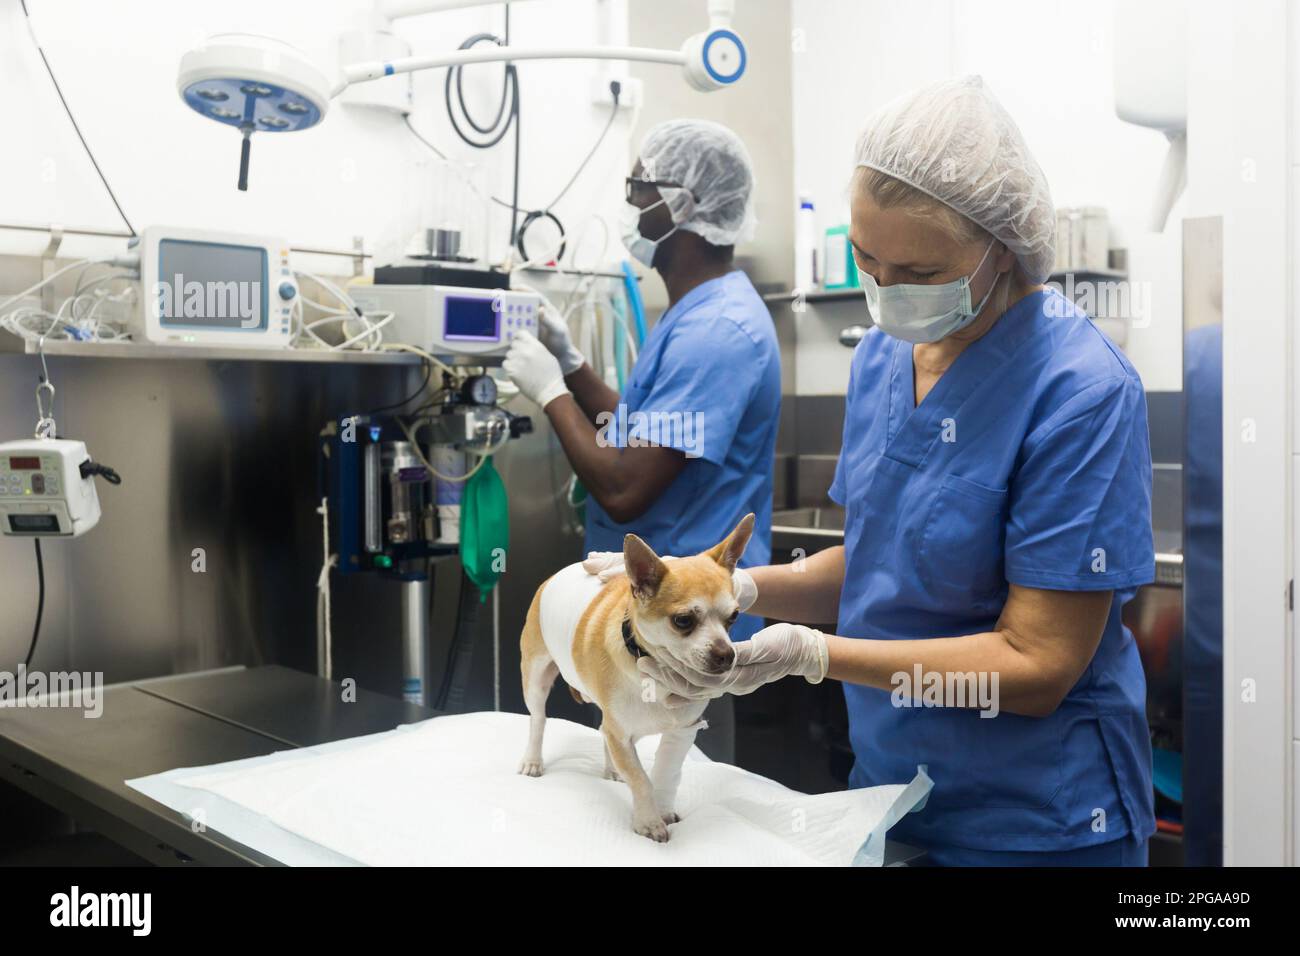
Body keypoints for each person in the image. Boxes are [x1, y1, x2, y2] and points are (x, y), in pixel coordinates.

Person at [634, 76, 1157, 866]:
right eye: (866, 259)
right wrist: (734, 588)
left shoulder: (1080, 391)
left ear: (1001, 250)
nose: (884, 292)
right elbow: (874, 561)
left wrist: (814, 655)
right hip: (892, 793)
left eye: (917, 273)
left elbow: (1037, 665)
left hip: (1035, 820)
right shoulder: (883, 354)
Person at [504, 119, 781, 759]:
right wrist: (570, 365)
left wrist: (549, 395)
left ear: (680, 203)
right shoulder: (694, 313)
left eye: (639, 188)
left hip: (687, 626)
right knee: (634, 796)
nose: (630, 205)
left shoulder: (718, 330)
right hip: (647, 623)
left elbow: (627, 485)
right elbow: (635, 432)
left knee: (681, 801)